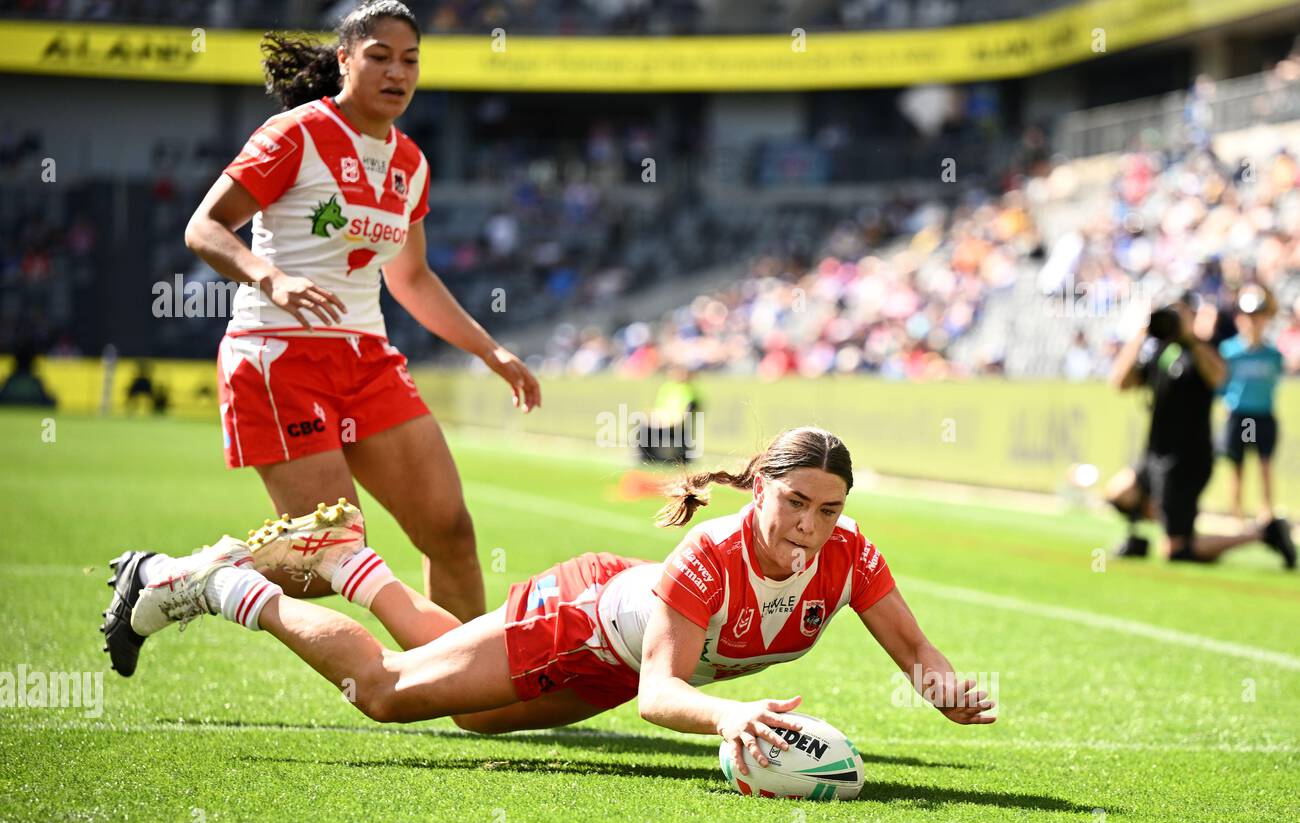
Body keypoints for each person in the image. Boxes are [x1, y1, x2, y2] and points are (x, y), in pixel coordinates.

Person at [100, 427, 995, 772]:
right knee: (387, 694)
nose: (810, 525)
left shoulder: (849, 557)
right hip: (580, 624)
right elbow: (661, 695)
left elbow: (917, 655)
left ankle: (345, 568)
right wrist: (729, 720)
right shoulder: (710, 557)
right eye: (794, 501)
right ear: (758, 489)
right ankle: (218, 583)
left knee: (475, 716)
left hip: (609, 650)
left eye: (828, 510)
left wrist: (949, 693)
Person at [182, 1, 540, 628]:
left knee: (450, 531)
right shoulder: (295, 133)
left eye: (410, 60)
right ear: (345, 60)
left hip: (367, 361)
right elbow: (204, 227)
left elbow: (413, 278)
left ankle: (469, 692)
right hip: (278, 354)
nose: (396, 72)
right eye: (379, 57)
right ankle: (184, 581)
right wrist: (272, 277)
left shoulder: (411, 164)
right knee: (329, 559)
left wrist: (491, 351)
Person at [1107, 292, 1294, 568]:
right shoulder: (1160, 351)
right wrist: (1141, 333)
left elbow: (1220, 376)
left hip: (1186, 461)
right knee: (1119, 493)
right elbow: (1119, 382)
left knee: (1177, 551)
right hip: (1154, 455)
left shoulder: (1204, 348)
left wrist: (1190, 339)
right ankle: (1154, 529)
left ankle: (1263, 533)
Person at [1218, 284, 1285, 523]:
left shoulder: (1274, 354)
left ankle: (1267, 511)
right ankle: (1237, 513)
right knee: (1238, 465)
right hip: (1241, 416)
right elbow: (1221, 384)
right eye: (1249, 315)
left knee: (1265, 464)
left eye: (1258, 315)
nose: (1253, 321)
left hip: (1263, 415)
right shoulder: (1230, 351)